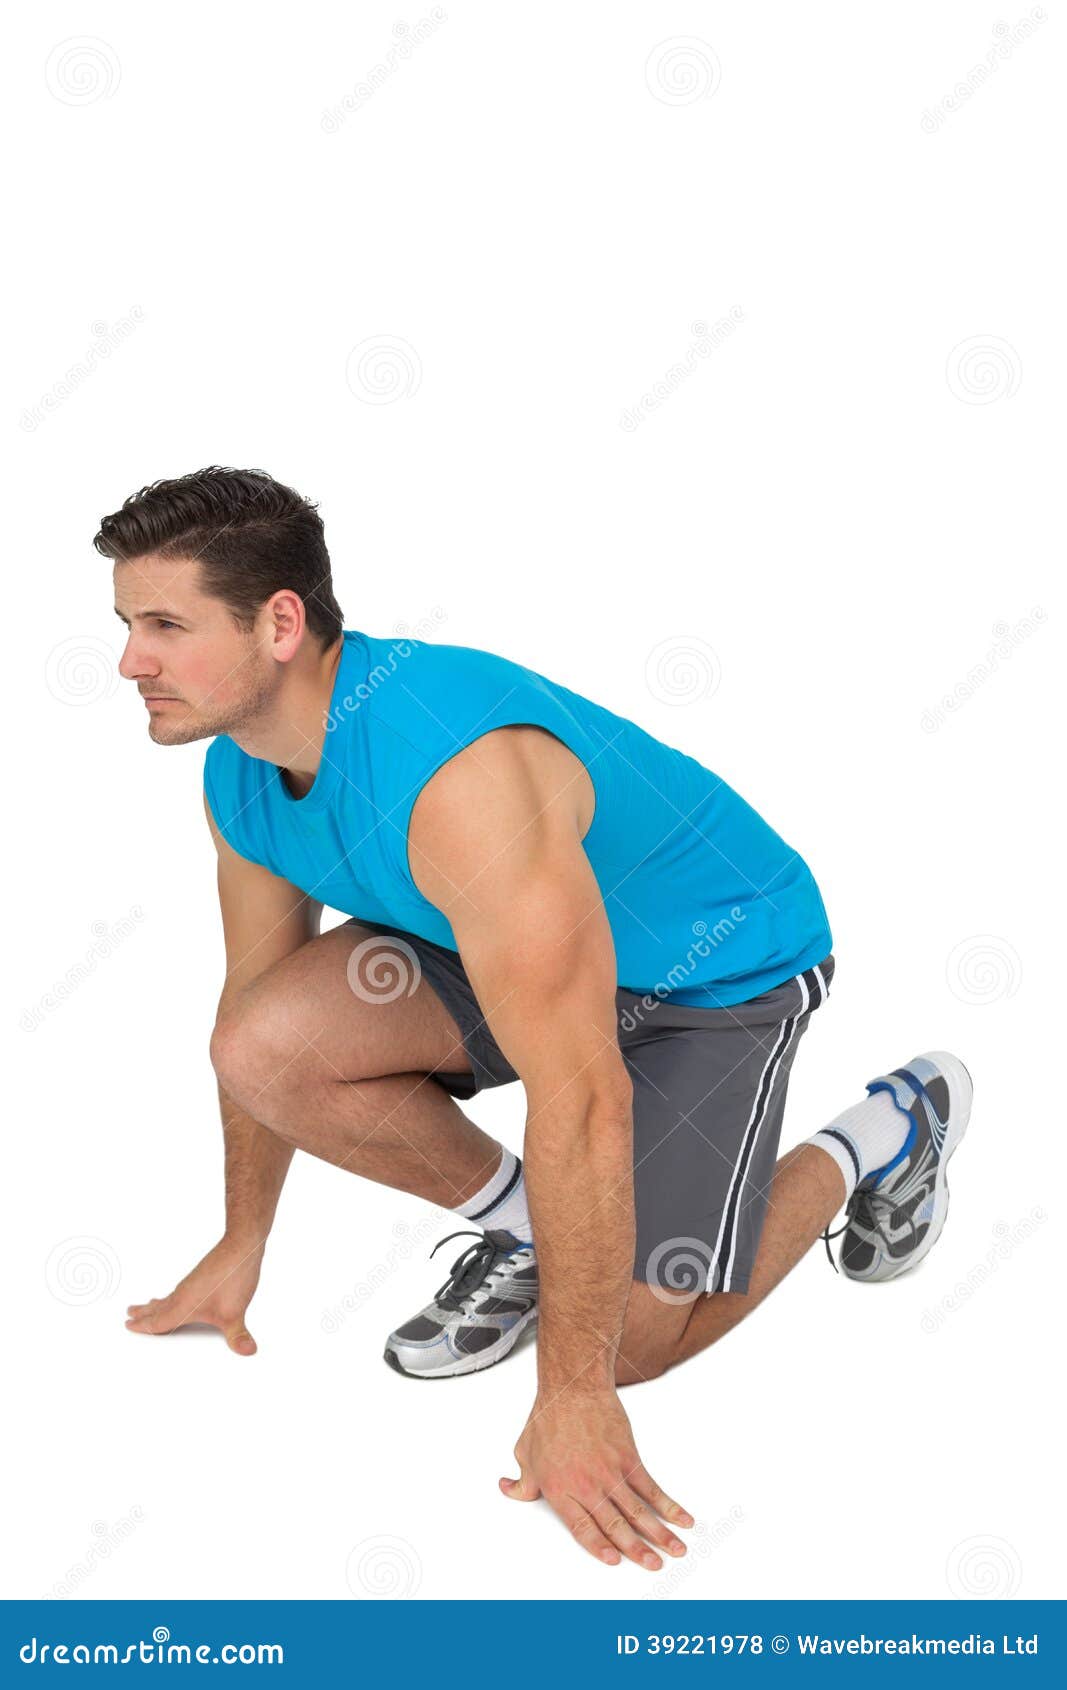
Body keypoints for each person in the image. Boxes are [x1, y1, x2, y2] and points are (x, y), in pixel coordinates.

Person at [97, 466, 973, 1574]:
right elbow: (252, 1009)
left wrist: (572, 1395)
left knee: (630, 1347)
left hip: (713, 970)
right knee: (263, 1045)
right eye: (128, 626)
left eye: (166, 626)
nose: (130, 662)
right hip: (500, 942)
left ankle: (891, 1127)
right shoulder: (244, 770)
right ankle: (531, 1232)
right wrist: (242, 1240)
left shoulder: (462, 778)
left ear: (279, 624)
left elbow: (582, 1090)